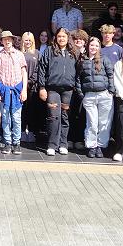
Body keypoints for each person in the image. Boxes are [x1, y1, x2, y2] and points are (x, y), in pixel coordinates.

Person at [36, 28, 76, 156]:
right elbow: (41, 69)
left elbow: (79, 69)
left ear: (67, 37)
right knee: (53, 116)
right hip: (52, 89)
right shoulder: (49, 51)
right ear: (56, 38)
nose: (61, 39)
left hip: (68, 90)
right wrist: (41, 87)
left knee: (65, 116)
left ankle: (63, 144)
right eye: (59, 36)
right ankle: (52, 144)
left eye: (64, 36)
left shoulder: (73, 52)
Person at [77, 36, 115, 158]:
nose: (94, 47)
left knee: (104, 123)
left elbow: (111, 75)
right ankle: (91, 145)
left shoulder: (105, 59)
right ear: (88, 46)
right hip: (89, 96)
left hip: (104, 95)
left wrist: (111, 91)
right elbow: (78, 78)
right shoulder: (83, 60)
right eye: (92, 45)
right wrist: (81, 94)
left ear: (99, 47)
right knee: (92, 122)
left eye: (96, 46)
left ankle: (101, 146)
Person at [0, 31, 28, 155]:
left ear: (12, 40)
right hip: (4, 90)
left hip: (17, 90)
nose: (7, 41)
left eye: (9, 39)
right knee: (5, 117)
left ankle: (16, 143)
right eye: (4, 39)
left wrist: (24, 90)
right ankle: (7, 142)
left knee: (17, 118)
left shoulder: (19, 55)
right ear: (1, 41)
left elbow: (24, 73)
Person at [68, 29, 89, 151]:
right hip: (71, 88)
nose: (78, 41)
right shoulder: (70, 53)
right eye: (76, 39)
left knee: (82, 115)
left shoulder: (88, 54)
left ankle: (80, 139)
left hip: (84, 88)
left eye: (81, 39)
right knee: (70, 114)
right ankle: (70, 139)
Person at [21, 32, 40, 144]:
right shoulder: (19, 53)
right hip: (20, 87)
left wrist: (30, 81)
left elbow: (39, 69)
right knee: (22, 110)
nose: (27, 42)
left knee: (32, 110)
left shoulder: (37, 53)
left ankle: (32, 131)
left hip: (32, 86)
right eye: (25, 40)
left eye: (29, 40)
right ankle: (22, 131)